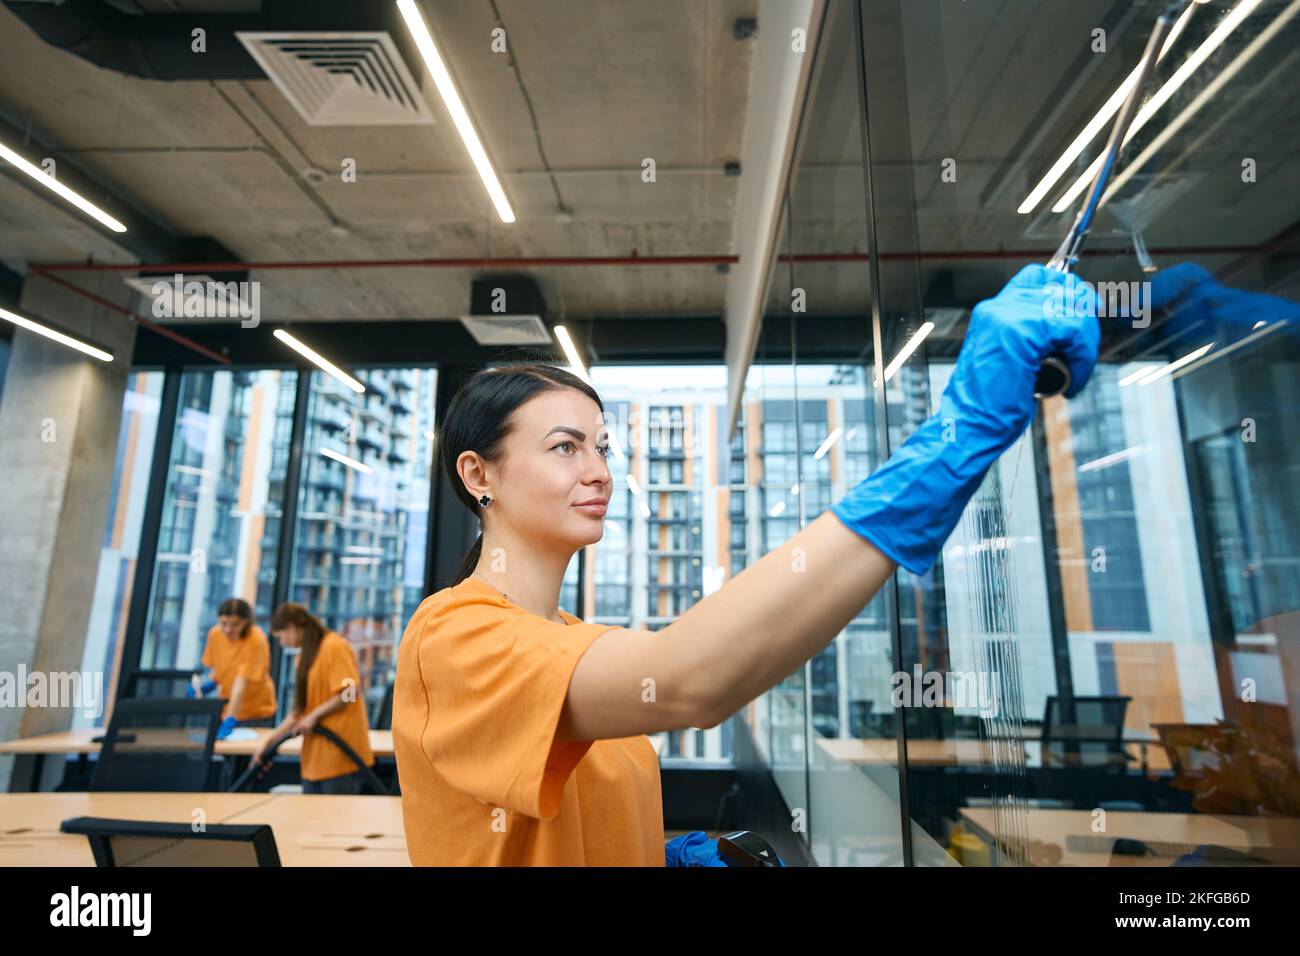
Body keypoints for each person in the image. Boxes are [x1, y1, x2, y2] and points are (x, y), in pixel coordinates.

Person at [391, 264, 1100, 865]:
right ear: (478, 474)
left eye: (602, 447)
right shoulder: (452, 636)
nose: (599, 470)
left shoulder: (570, 638)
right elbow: (688, 682)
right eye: (565, 447)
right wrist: (954, 440)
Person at [252, 603, 376, 794]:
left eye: (280, 636)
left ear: (291, 627)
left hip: (341, 756)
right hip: (315, 759)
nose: (281, 643)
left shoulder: (334, 647)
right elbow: (300, 710)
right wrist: (268, 743)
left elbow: (350, 693)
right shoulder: (304, 658)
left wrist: (314, 716)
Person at [191, 598, 276, 739]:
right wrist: (207, 685)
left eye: (235, 624)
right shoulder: (215, 635)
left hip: (255, 712)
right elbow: (218, 669)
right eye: (224, 623)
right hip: (227, 709)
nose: (228, 629)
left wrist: (230, 719)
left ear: (246, 622)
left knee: (246, 757)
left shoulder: (255, 639)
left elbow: (241, 684)